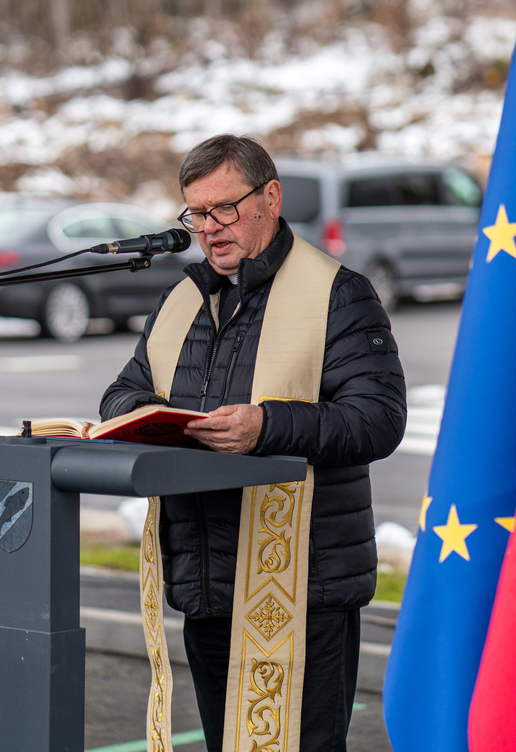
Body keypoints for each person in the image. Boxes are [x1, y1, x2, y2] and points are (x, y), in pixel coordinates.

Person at [101, 134, 407, 752]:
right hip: (207, 583)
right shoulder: (182, 299)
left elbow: (378, 419)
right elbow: (120, 393)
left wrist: (264, 427)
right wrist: (149, 417)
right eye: (196, 214)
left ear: (271, 197)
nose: (209, 229)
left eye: (224, 208)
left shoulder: (337, 293)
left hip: (307, 585)